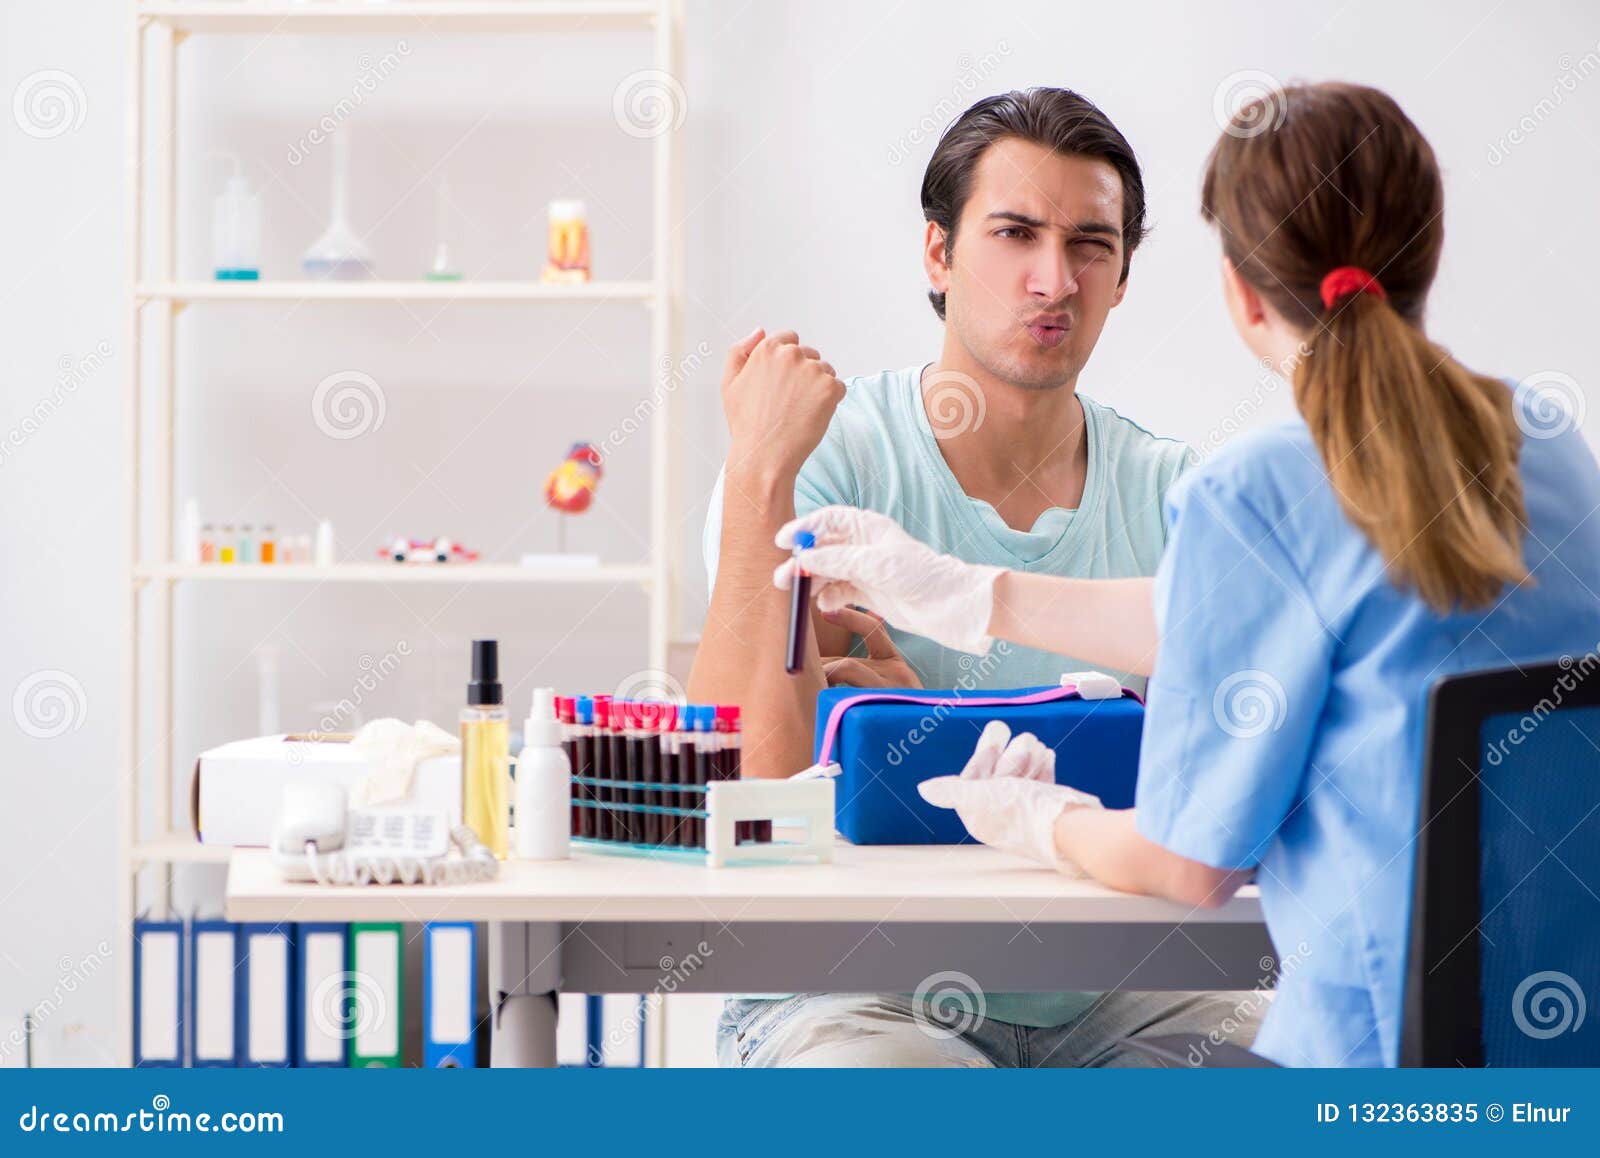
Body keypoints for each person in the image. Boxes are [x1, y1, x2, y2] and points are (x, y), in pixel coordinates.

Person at [774, 82, 1600, 1068]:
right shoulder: (1550, 453)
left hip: (1362, 1061)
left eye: (1089, 242)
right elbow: (1231, 620)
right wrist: (967, 592)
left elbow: (1188, 865)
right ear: (1426, 256)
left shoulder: (1255, 489)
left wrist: (1050, 823)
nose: (1054, 279)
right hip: (1552, 1053)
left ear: (1240, 292)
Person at [691, 88, 1258, 1066]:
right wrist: (756, 474)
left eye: (1090, 243)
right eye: (1013, 233)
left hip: (1122, 992)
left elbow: (1230, 804)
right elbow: (745, 797)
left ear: (1121, 277)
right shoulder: (825, 458)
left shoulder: (1177, 496)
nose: (1053, 279)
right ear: (938, 254)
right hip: (857, 994)